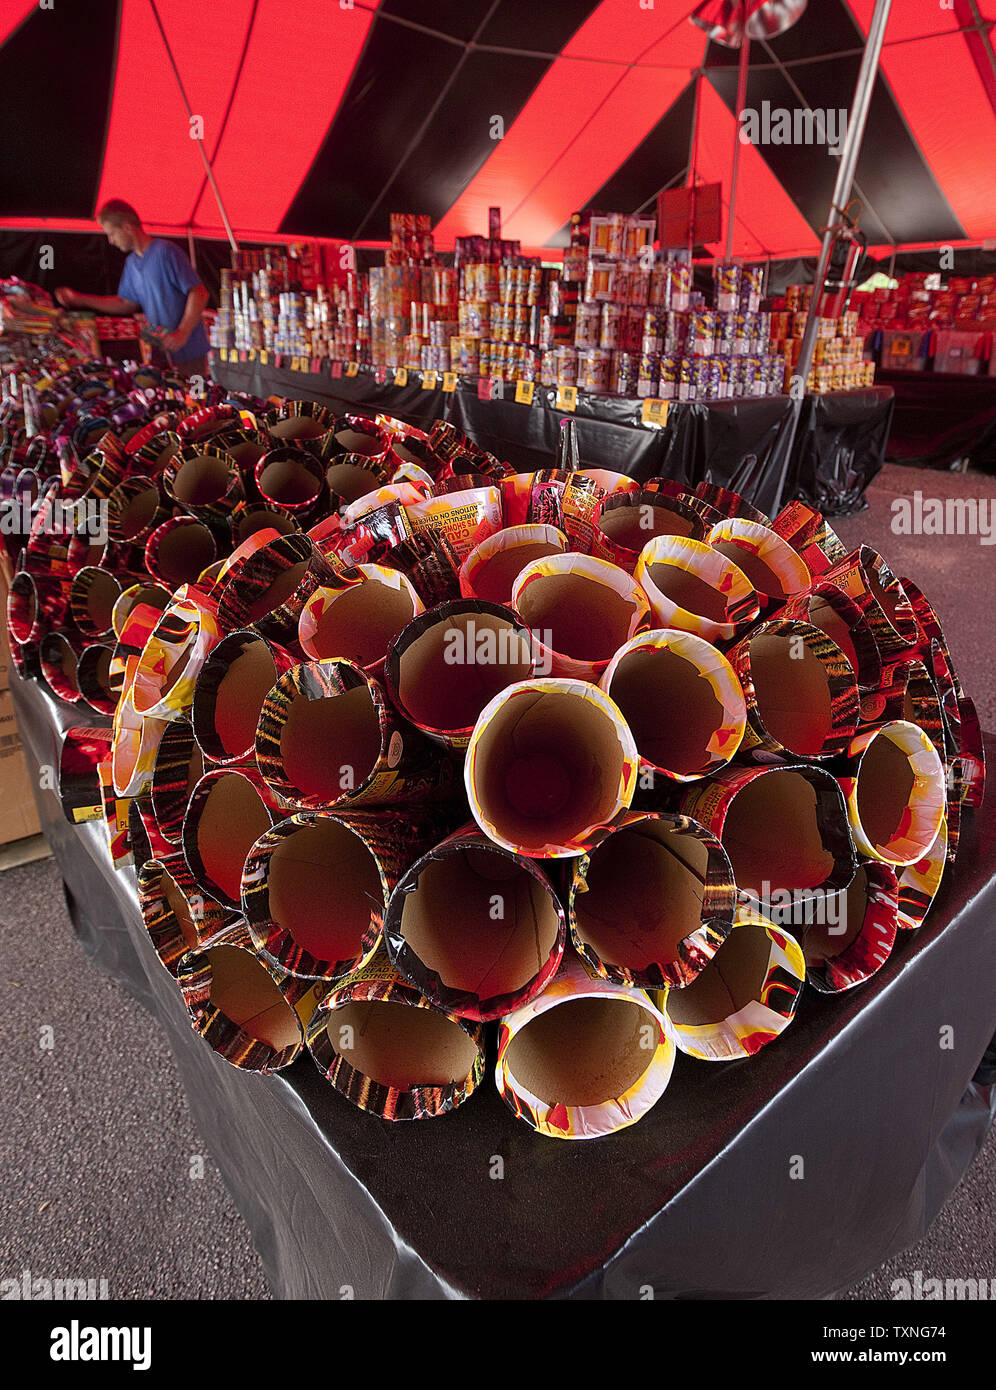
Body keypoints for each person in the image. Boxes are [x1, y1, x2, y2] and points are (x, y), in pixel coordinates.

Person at [55, 199, 210, 378]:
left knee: (194, 401)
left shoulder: (165, 252)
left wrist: (182, 332)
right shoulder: (131, 264)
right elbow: (125, 303)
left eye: (112, 234)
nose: (111, 241)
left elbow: (199, 293)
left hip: (188, 351)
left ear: (127, 227)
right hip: (160, 352)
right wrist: (79, 298)